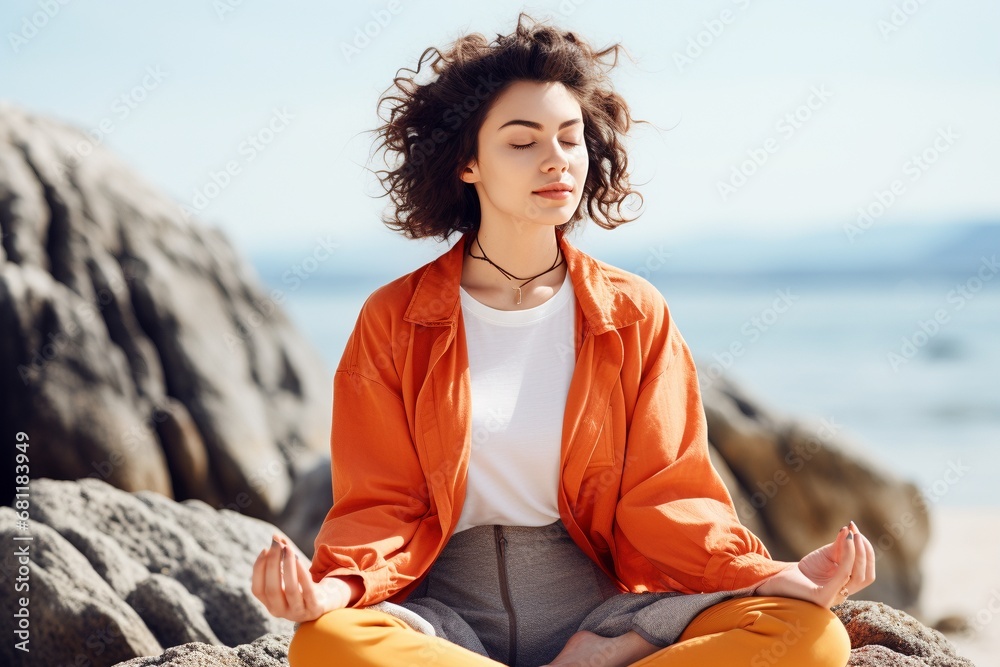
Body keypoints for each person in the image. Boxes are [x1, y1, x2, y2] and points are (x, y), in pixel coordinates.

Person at [251, 13, 874, 667]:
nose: (556, 160)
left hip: (599, 618)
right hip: (444, 622)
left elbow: (671, 493)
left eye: (569, 138)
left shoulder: (634, 313)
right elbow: (382, 502)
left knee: (811, 634)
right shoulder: (393, 318)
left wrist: (772, 576)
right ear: (467, 161)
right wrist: (331, 587)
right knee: (324, 642)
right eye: (522, 142)